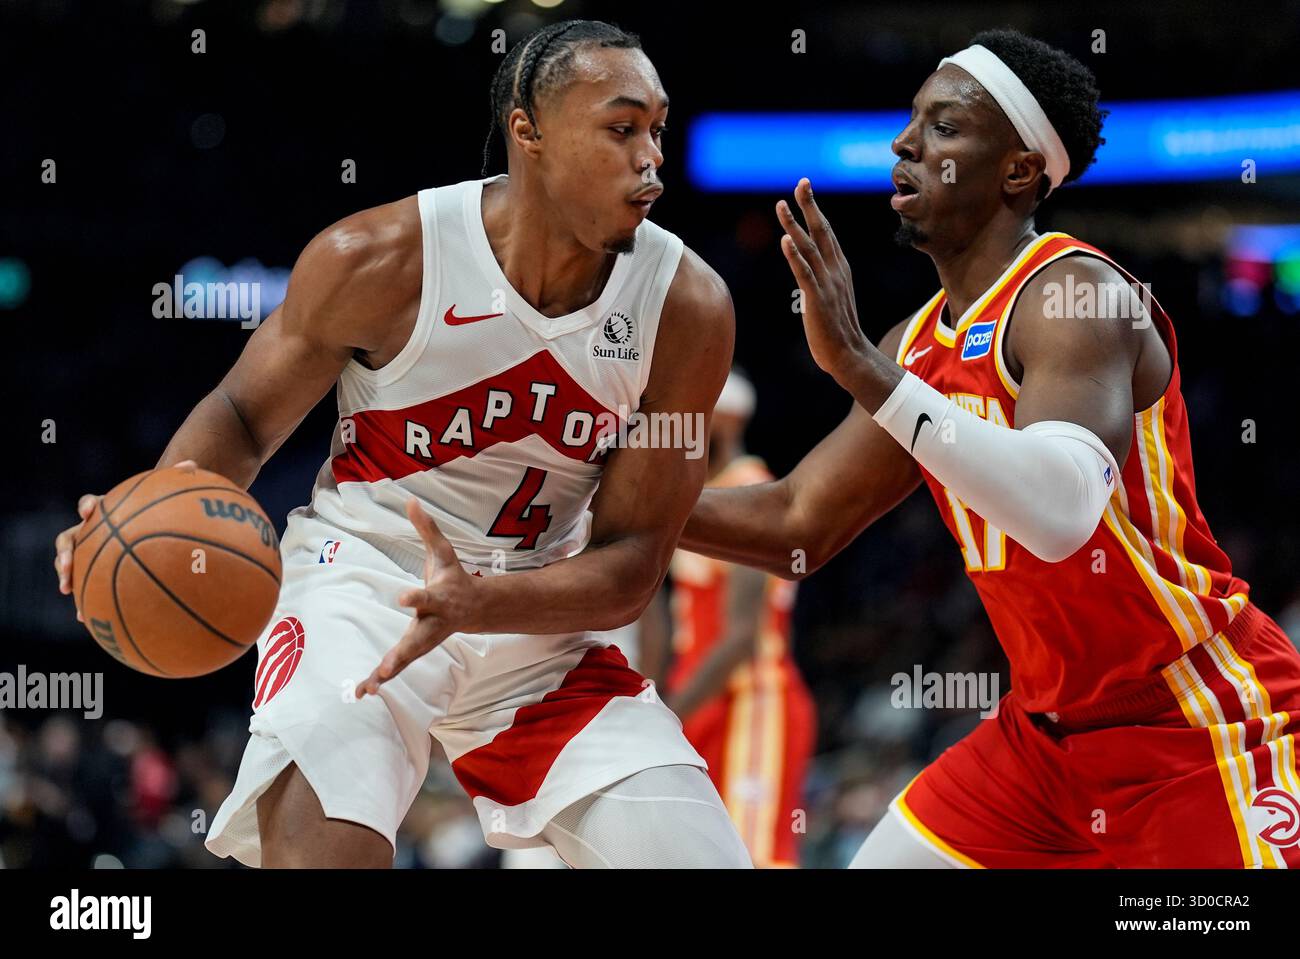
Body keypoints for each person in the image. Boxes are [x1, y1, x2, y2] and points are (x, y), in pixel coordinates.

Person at [55, 19, 751, 869]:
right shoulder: (379, 258)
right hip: (365, 578)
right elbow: (241, 413)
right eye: (621, 127)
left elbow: (635, 561)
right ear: (527, 131)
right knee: (323, 845)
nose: (652, 158)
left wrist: (480, 603)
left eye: (657, 129)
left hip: (541, 614)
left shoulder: (686, 308)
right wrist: (142, 518)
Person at [679, 29, 1300, 868]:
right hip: (1042, 741)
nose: (904, 143)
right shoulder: (918, 345)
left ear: (1016, 170)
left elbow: (1062, 513)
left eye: (943, 127)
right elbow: (798, 520)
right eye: (910, 122)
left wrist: (865, 372)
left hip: (1190, 712)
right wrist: (603, 497)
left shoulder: (1077, 292)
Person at [646, 370, 816, 868]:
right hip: (696, 694)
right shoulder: (693, 495)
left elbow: (741, 639)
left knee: (755, 856)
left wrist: (668, 715)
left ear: (720, 421)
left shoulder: (752, 492)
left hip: (752, 697)